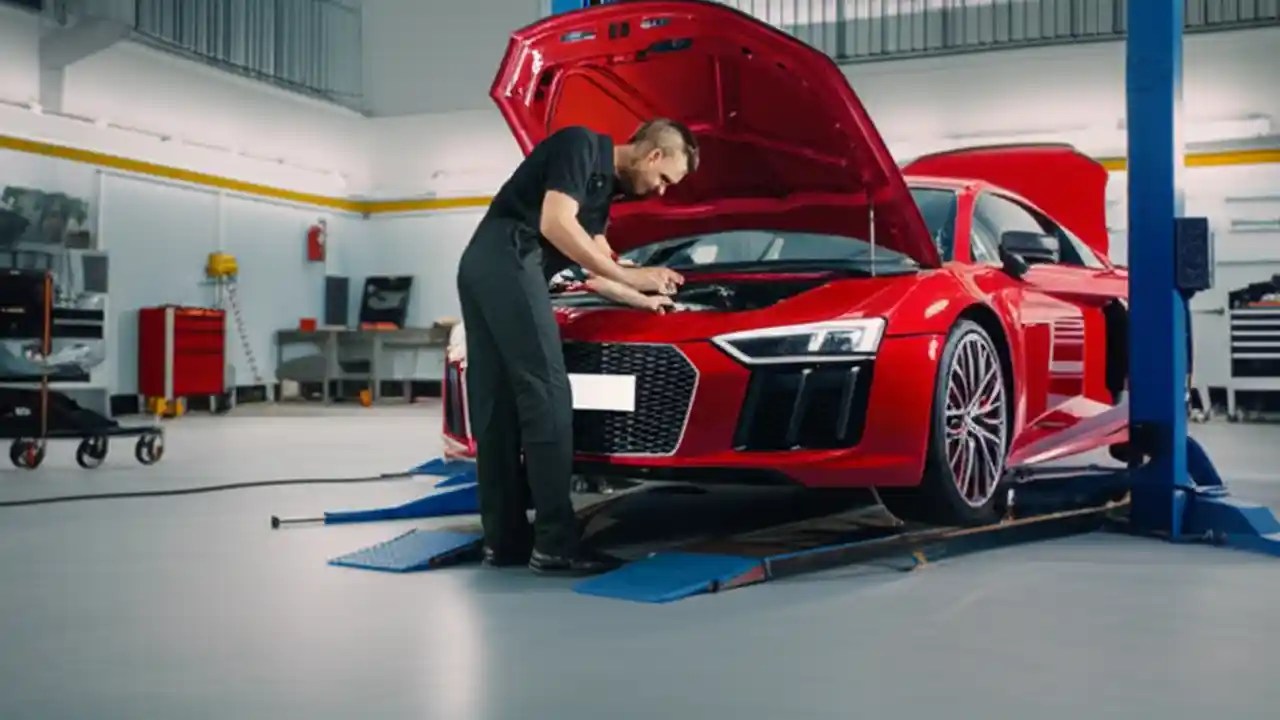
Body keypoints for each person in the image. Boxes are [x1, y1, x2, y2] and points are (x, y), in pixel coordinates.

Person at [455, 118, 699, 576]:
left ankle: (504, 542)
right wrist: (631, 277)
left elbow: (596, 264)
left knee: (498, 405)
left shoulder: (601, 193)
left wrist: (645, 299)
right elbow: (555, 222)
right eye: (665, 180)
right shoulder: (582, 145)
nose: (661, 191)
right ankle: (555, 544)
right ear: (653, 156)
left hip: (482, 265)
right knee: (547, 394)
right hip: (510, 256)